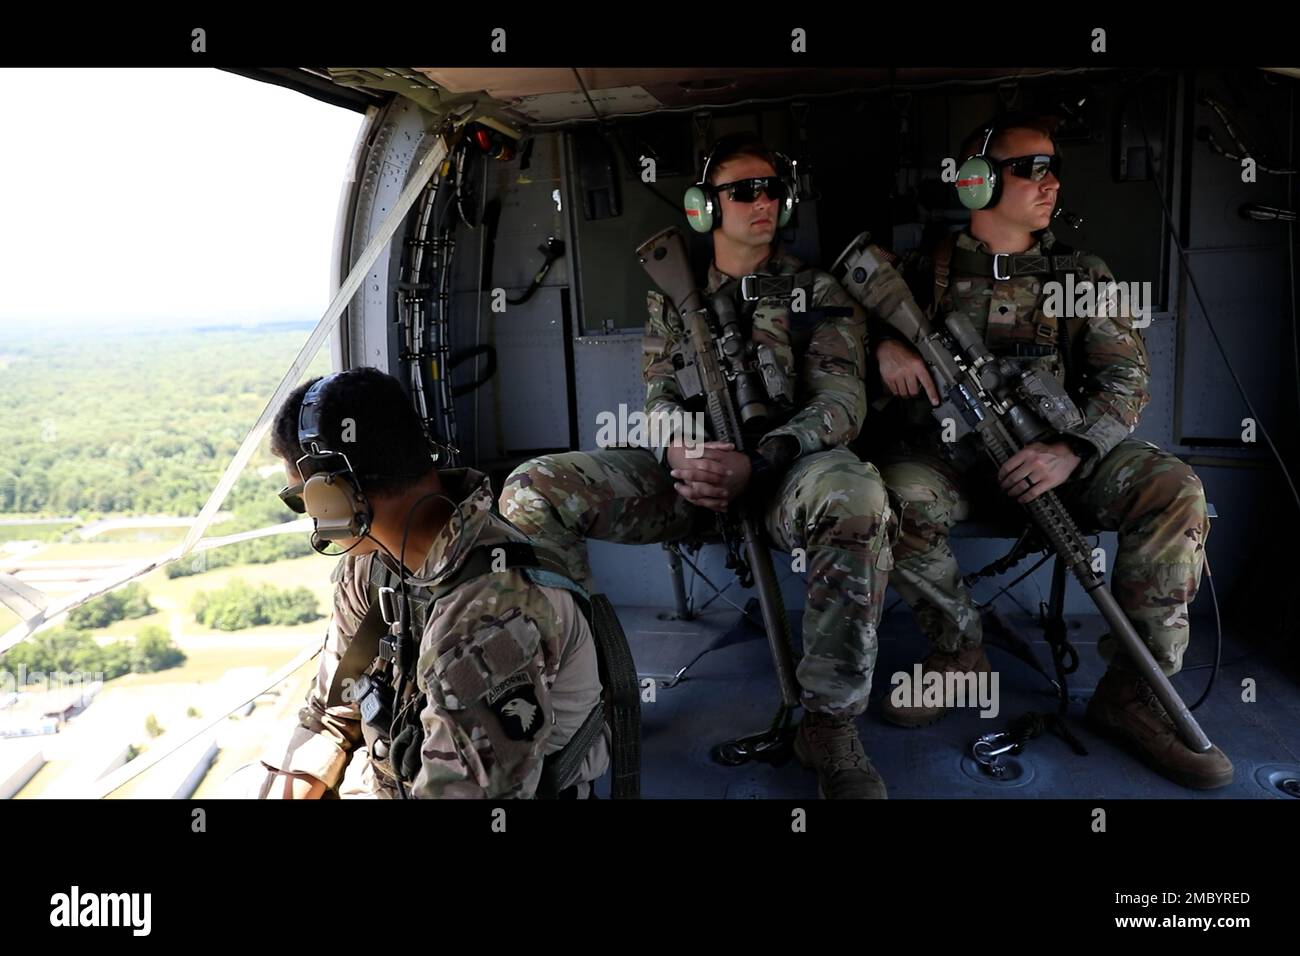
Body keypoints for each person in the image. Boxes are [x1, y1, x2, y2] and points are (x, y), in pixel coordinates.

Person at [499, 133, 895, 799]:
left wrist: (764, 457)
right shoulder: (671, 294)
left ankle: (827, 725)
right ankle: (580, 703)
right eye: (743, 191)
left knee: (856, 495)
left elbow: (841, 401)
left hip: (783, 476)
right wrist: (680, 450)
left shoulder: (816, 290)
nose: (762, 201)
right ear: (706, 208)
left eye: (772, 189)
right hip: (688, 478)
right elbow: (657, 396)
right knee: (534, 490)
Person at [868, 112, 1232, 789]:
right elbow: (844, 326)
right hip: (950, 460)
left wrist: (1073, 448)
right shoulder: (920, 272)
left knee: (1172, 486)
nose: (1051, 182)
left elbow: (1126, 381)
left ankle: (1134, 696)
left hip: (1053, 460)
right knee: (889, 494)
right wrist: (881, 347)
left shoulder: (1079, 272)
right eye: (1031, 169)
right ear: (976, 183)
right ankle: (958, 656)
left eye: (1054, 167)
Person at [257, 367, 609, 798]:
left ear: (330, 496)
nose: (311, 515)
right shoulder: (371, 567)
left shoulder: (488, 616)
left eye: (301, 499)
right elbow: (333, 713)